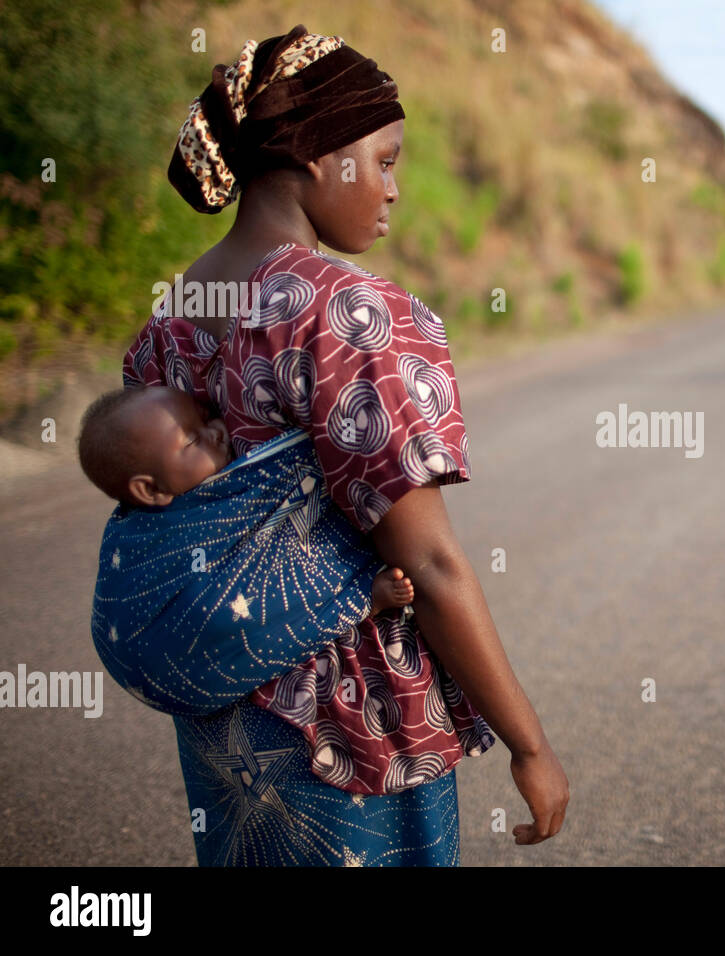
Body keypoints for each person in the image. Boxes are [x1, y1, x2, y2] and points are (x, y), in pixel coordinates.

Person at [97, 24, 567, 866]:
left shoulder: (167, 322)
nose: (393, 190)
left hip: (232, 711)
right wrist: (529, 744)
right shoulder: (346, 314)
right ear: (319, 156)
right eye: (383, 160)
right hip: (354, 723)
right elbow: (429, 565)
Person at [77, 383, 417, 624]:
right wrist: (366, 597)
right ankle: (360, 600)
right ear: (149, 491)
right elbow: (249, 604)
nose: (217, 431)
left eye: (207, 416)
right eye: (194, 438)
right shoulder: (180, 540)